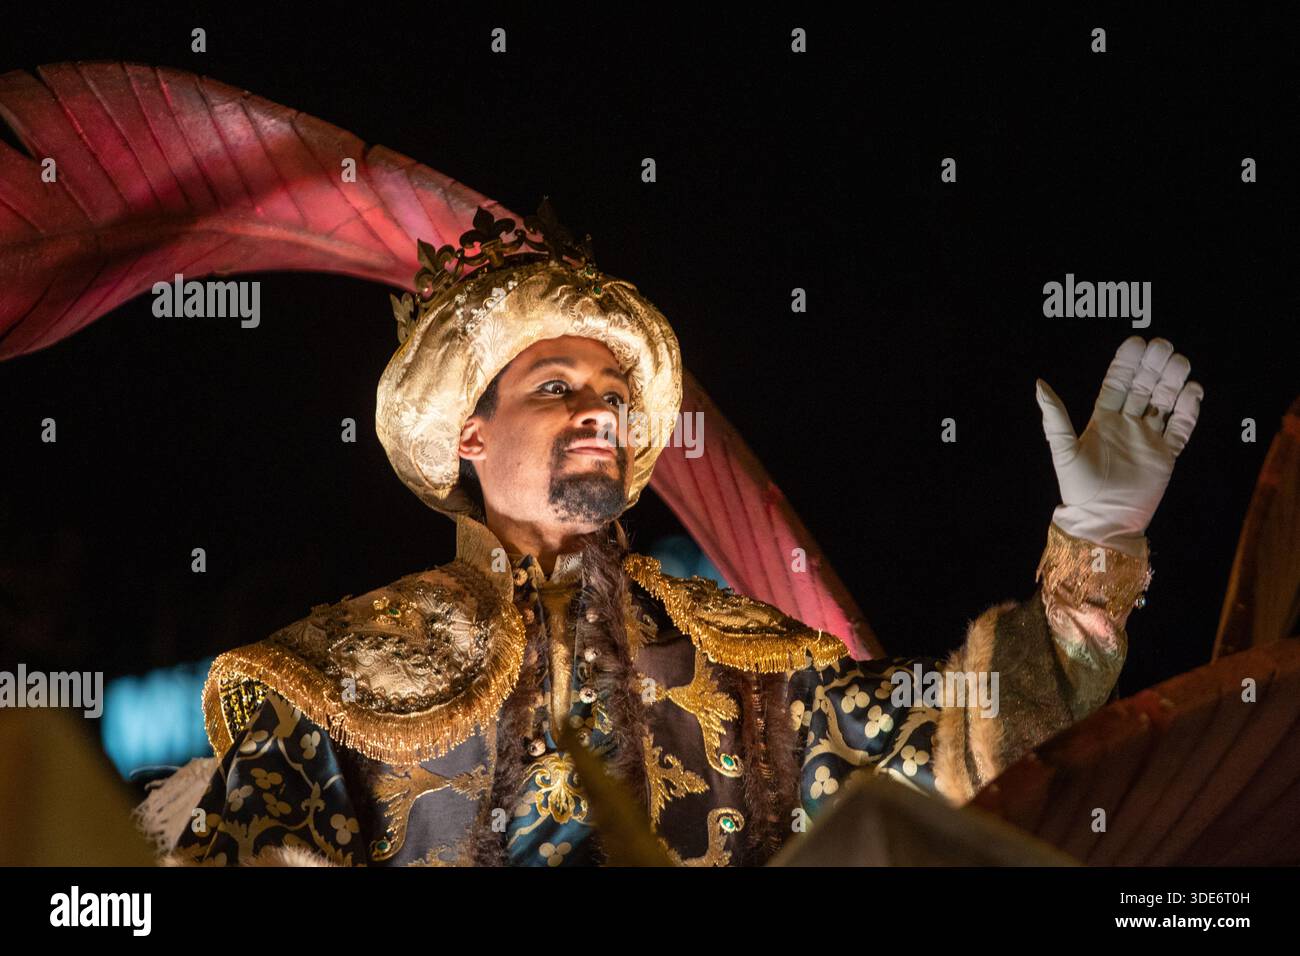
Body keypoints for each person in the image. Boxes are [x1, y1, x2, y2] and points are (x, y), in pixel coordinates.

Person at [154, 204, 1201, 866]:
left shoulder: (743, 657)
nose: (599, 409)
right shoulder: (338, 673)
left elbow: (954, 749)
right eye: (555, 386)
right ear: (466, 433)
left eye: (614, 390)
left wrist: (1092, 545)